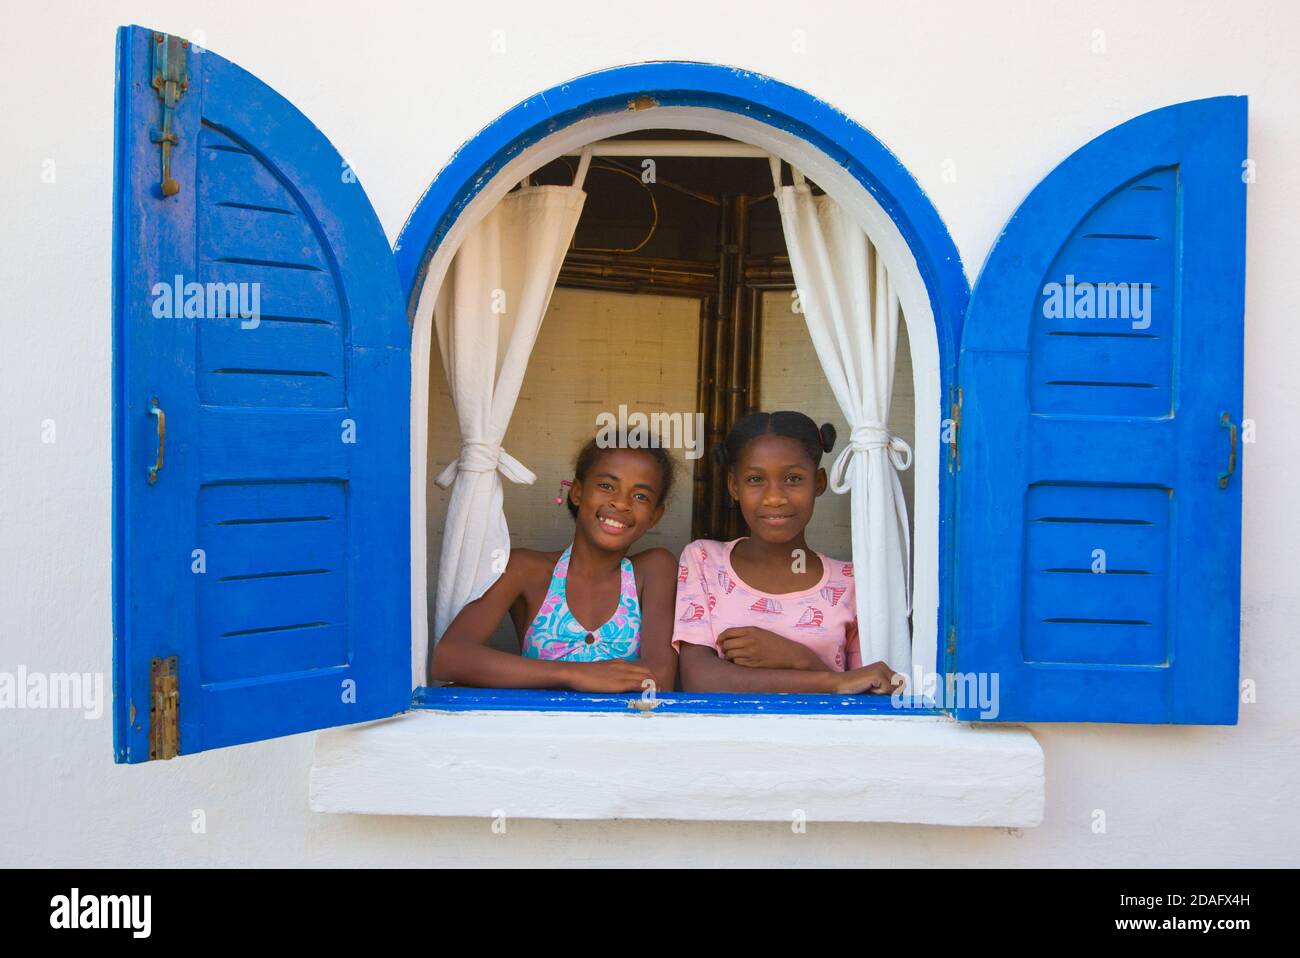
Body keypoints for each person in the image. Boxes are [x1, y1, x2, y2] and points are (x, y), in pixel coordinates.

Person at [674, 410, 904, 694]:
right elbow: (700, 680)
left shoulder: (851, 582)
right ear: (734, 486)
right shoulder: (703, 561)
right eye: (755, 480)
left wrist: (797, 658)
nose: (774, 497)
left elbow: (867, 691)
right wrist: (830, 680)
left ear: (818, 483)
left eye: (793, 479)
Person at [429, 432, 679, 693]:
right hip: (537, 732)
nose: (621, 502)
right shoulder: (523, 568)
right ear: (578, 492)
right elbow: (448, 658)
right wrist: (575, 674)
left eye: (641, 496)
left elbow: (658, 679)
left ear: (655, 516)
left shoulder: (653, 569)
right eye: (606, 486)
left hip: (623, 733)